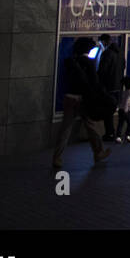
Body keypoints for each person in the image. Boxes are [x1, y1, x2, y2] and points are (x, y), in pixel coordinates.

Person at [51, 38, 113, 170]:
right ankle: (98, 152)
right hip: (83, 99)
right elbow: (94, 82)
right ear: (88, 50)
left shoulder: (70, 61)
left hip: (69, 97)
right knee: (91, 126)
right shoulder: (89, 63)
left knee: (65, 128)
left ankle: (57, 157)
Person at [97, 35, 122, 142]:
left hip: (108, 86)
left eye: (101, 43)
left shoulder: (107, 54)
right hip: (118, 86)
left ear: (104, 42)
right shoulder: (120, 53)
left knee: (108, 112)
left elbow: (102, 70)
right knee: (112, 110)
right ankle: (115, 132)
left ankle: (110, 133)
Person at [115, 76, 130, 143]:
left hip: (121, 110)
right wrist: (126, 110)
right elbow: (127, 101)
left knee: (120, 123)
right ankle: (127, 135)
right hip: (127, 111)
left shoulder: (123, 92)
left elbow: (121, 101)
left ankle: (118, 137)